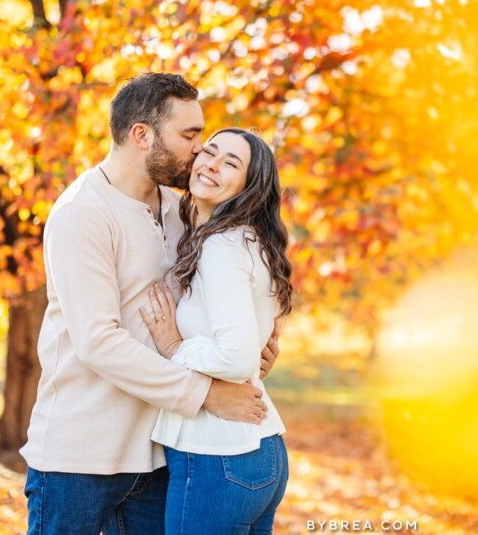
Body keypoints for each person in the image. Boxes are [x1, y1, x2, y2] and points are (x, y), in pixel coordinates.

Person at [20, 73, 279, 535]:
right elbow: (98, 342)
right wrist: (207, 393)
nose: (200, 150)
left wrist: (249, 347)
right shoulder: (82, 213)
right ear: (142, 135)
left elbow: (209, 303)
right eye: (189, 136)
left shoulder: (181, 211)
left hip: (160, 452)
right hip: (80, 458)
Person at [140, 128, 293, 535]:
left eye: (231, 163)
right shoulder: (247, 240)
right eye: (210, 151)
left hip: (217, 458)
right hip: (259, 454)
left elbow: (236, 357)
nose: (212, 164)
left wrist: (173, 345)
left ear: (249, 186)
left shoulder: (221, 247)